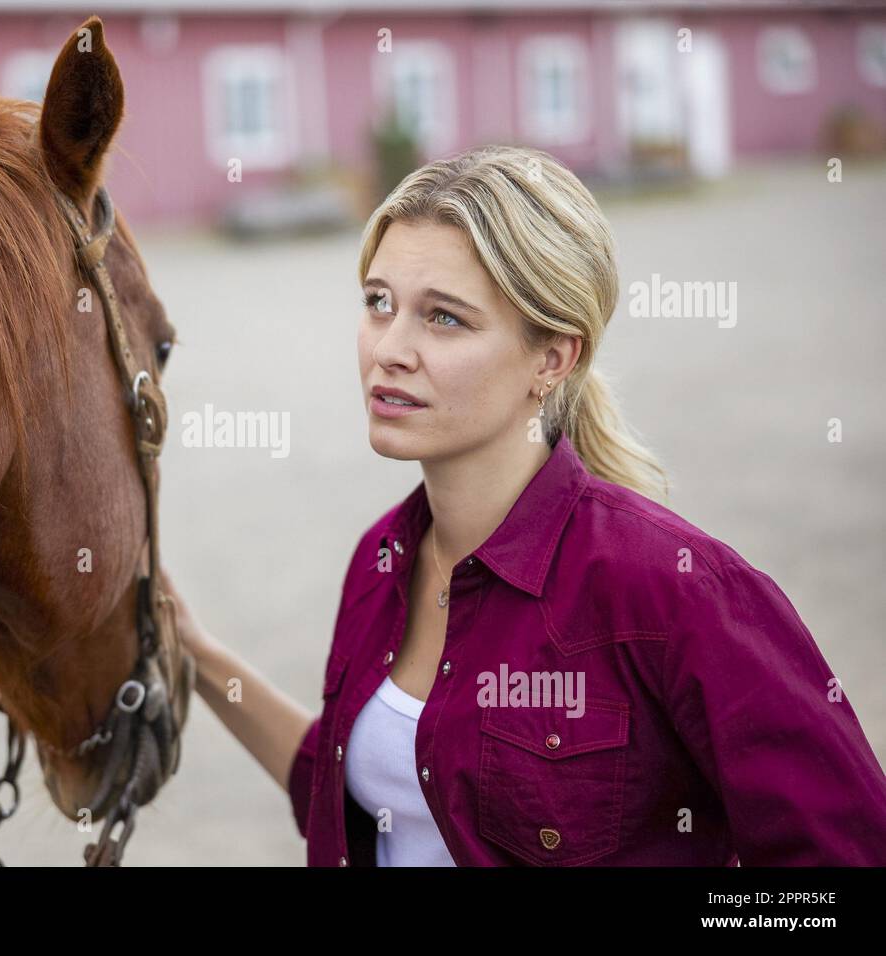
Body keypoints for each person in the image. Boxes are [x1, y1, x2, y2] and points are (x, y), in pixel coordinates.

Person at [161, 145, 886, 866]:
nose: (390, 350)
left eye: (444, 318)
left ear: (552, 358)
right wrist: (196, 653)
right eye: (379, 303)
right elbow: (356, 796)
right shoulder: (381, 560)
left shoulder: (676, 591)